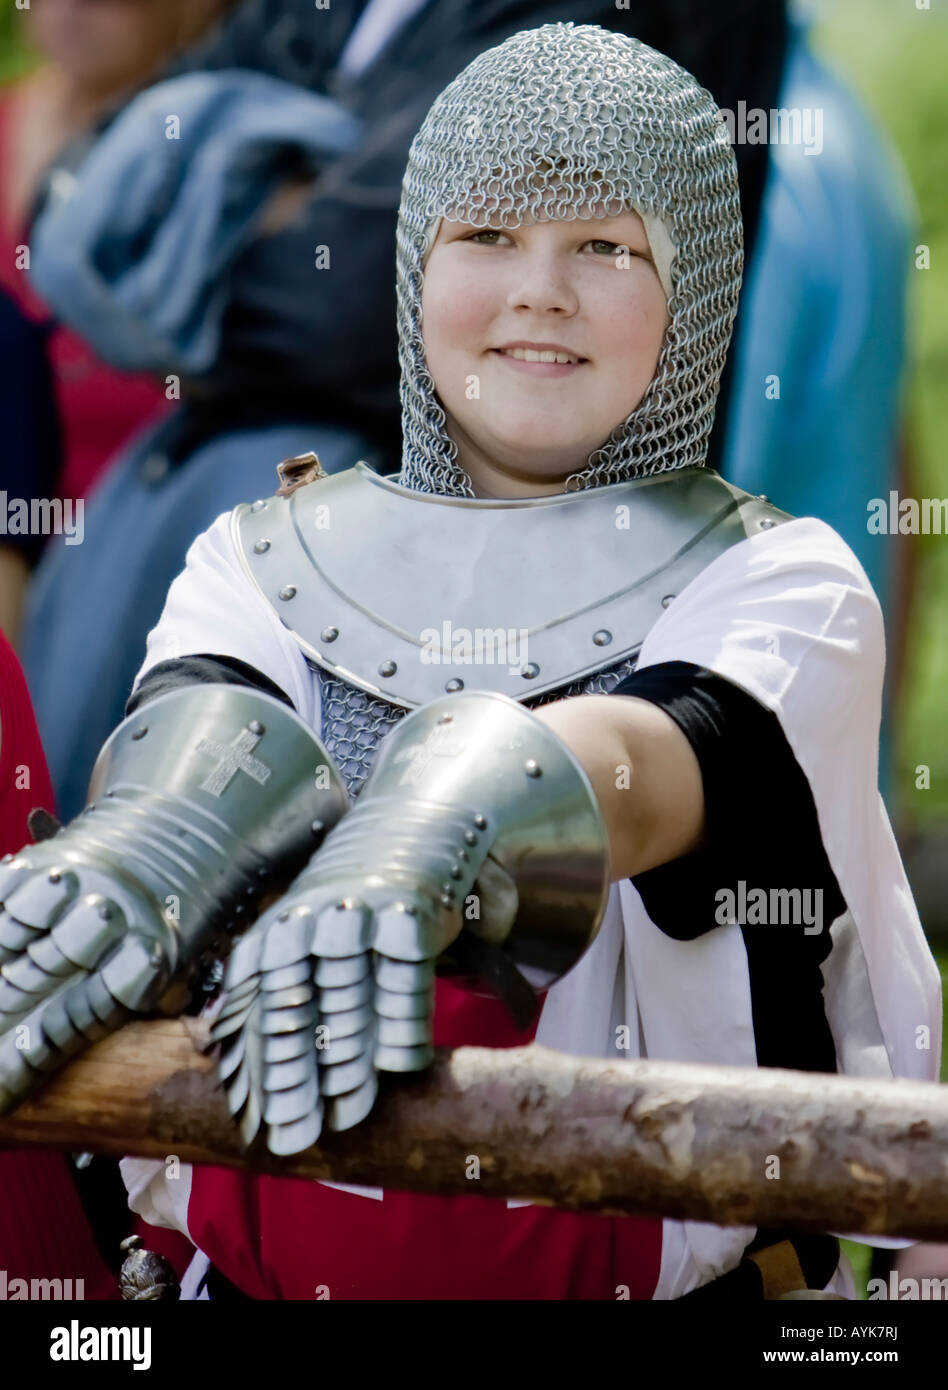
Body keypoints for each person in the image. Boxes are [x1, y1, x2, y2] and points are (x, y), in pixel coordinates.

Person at [0, 24, 939, 1301]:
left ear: (700, 286)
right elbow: (211, 745)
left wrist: (424, 845)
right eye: (487, 236)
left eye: (605, 247)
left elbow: (649, 765)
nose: (539, 290)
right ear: (413, 264)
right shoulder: (264, 552)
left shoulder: (782, 582)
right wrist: (138, 852)